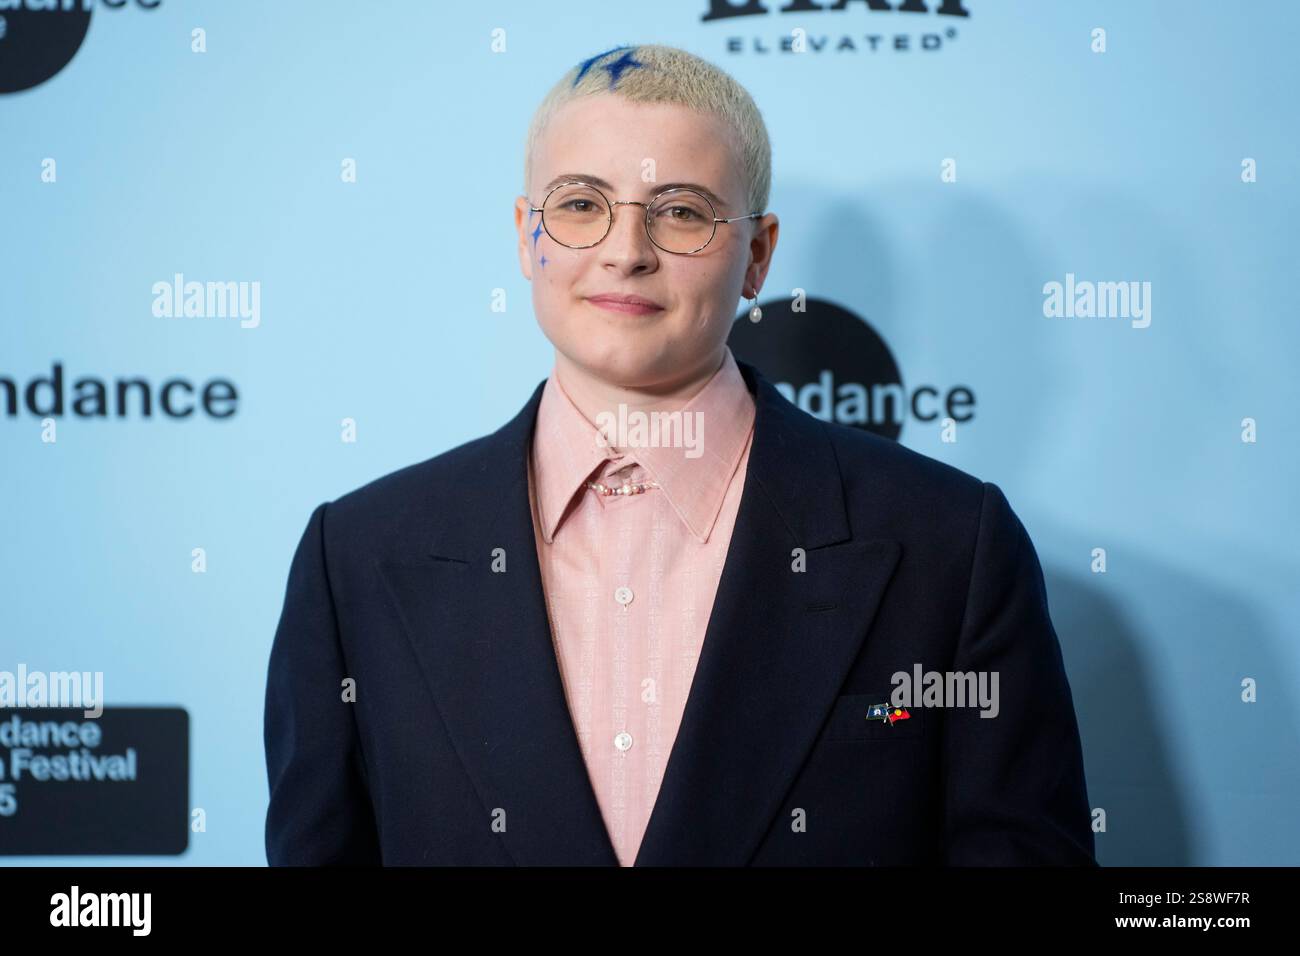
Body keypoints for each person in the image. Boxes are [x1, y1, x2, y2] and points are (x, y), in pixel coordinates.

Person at [263, 43, 1096, 866]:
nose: (627, 250)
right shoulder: (357, 558)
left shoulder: (949, 545)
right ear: (525, 235)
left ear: (757, 256)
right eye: (581, 204)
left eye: (682, 212)